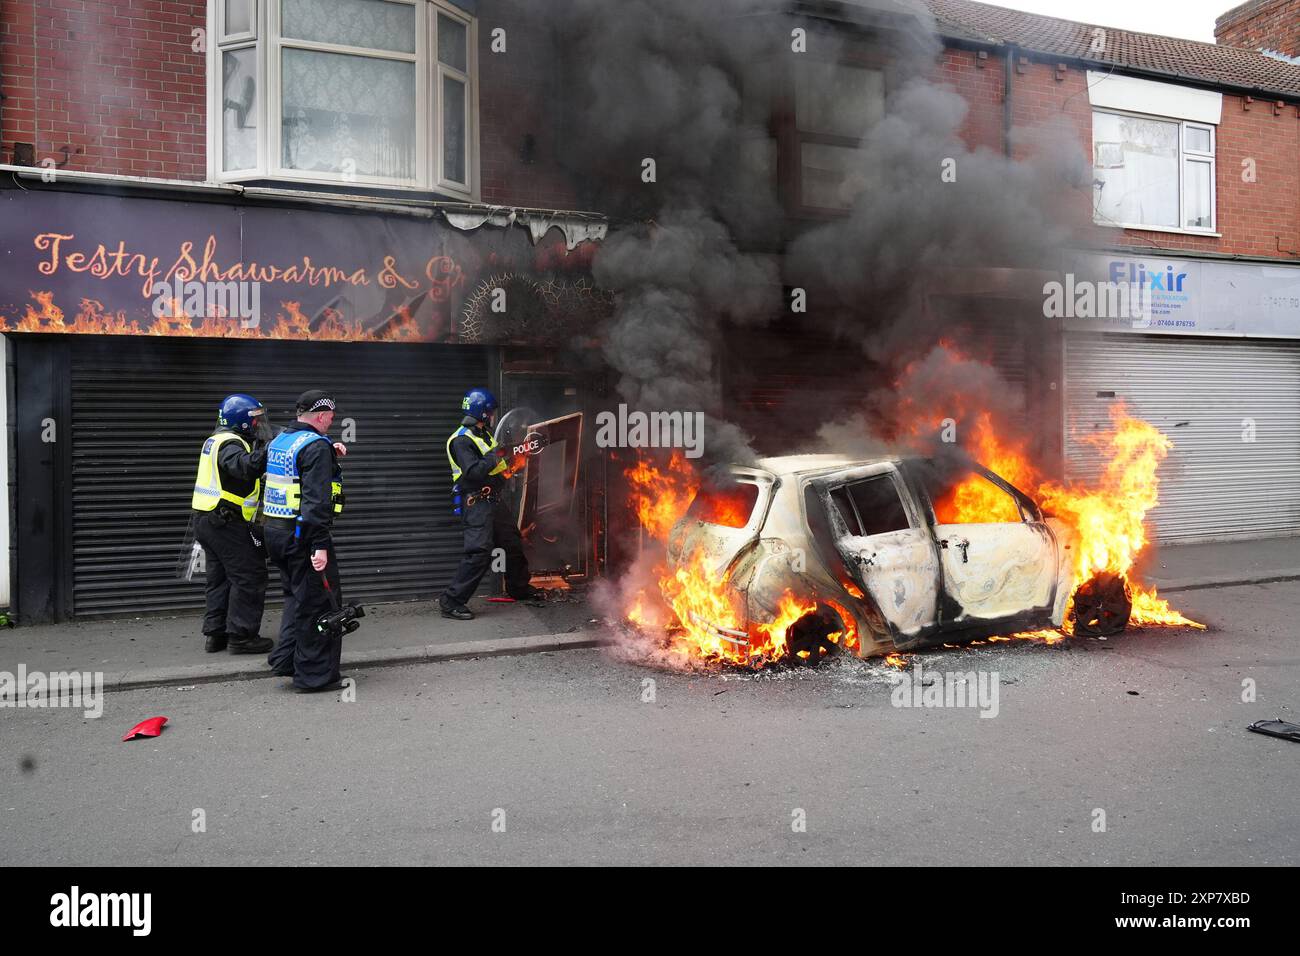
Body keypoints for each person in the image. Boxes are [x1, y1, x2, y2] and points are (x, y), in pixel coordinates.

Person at [262, 390, 349, 692]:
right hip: (303, 537)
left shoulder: (281, 440)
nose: (331, 422)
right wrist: (320, 546)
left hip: (275, 533)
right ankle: (314, 675)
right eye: (331, 418)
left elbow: (290, 475)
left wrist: (329, 452)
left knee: (294, 598)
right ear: (323, 416)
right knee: (317, 602)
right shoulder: (316, 447)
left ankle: (286, 660)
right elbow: (315, 503)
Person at [440, 388, 545, 620]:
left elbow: (496, 467)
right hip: (476, 503)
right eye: (491, 413)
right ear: (483, 414)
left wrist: (516, 459)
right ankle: (451, 602)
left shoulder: (484, 435)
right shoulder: (461, 440)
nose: (494, 416)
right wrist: (498, 455)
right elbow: (474, 472)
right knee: (478, 553)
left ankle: (519, 588)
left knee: (512, 542)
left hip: (493, 500)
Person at [190, 393, 274, 655]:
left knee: (220, 579)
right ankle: (242, 636)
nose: (260, 424)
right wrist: (267, 452)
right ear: (241, 421)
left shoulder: (215, 440)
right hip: (226, 522)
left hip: (209, 521)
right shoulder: (230, 443)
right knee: (249, 576)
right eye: (255, 420)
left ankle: (216, 635)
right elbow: (241, 467)